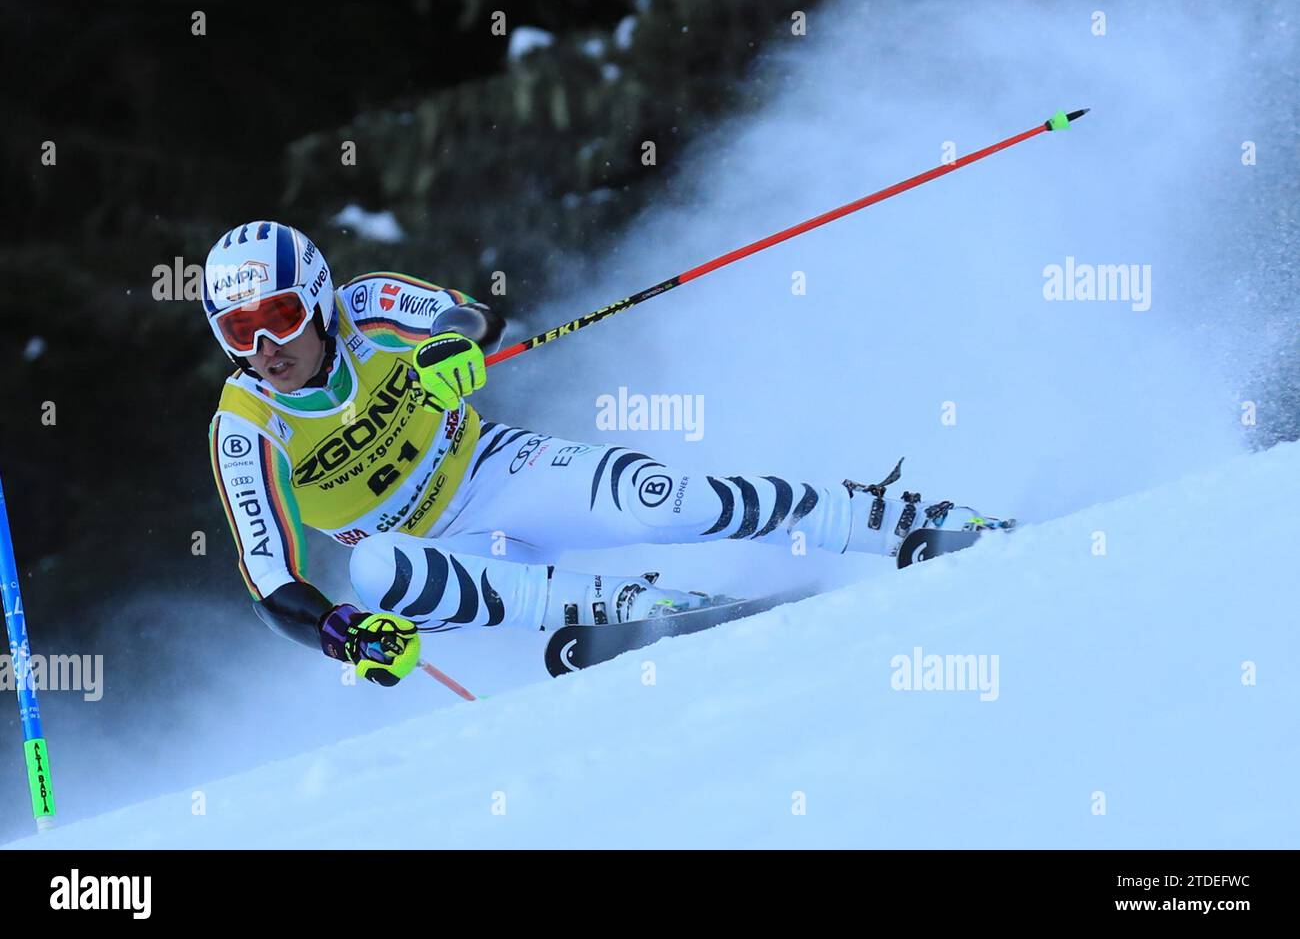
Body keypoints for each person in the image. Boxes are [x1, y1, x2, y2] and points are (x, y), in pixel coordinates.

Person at [205, 221, 1010, 686]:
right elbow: (269, 574)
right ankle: (622, 607)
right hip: (445, 563)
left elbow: (469, 316)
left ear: (315, 297)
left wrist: (455, 346)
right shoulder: (247, 427)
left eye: (278, 314)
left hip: (497, 474)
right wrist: (342, 633)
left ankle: (894, 519)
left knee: (667, 503)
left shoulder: (367, 308)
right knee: (375, 567)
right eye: (240, 330)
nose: (267, 345)